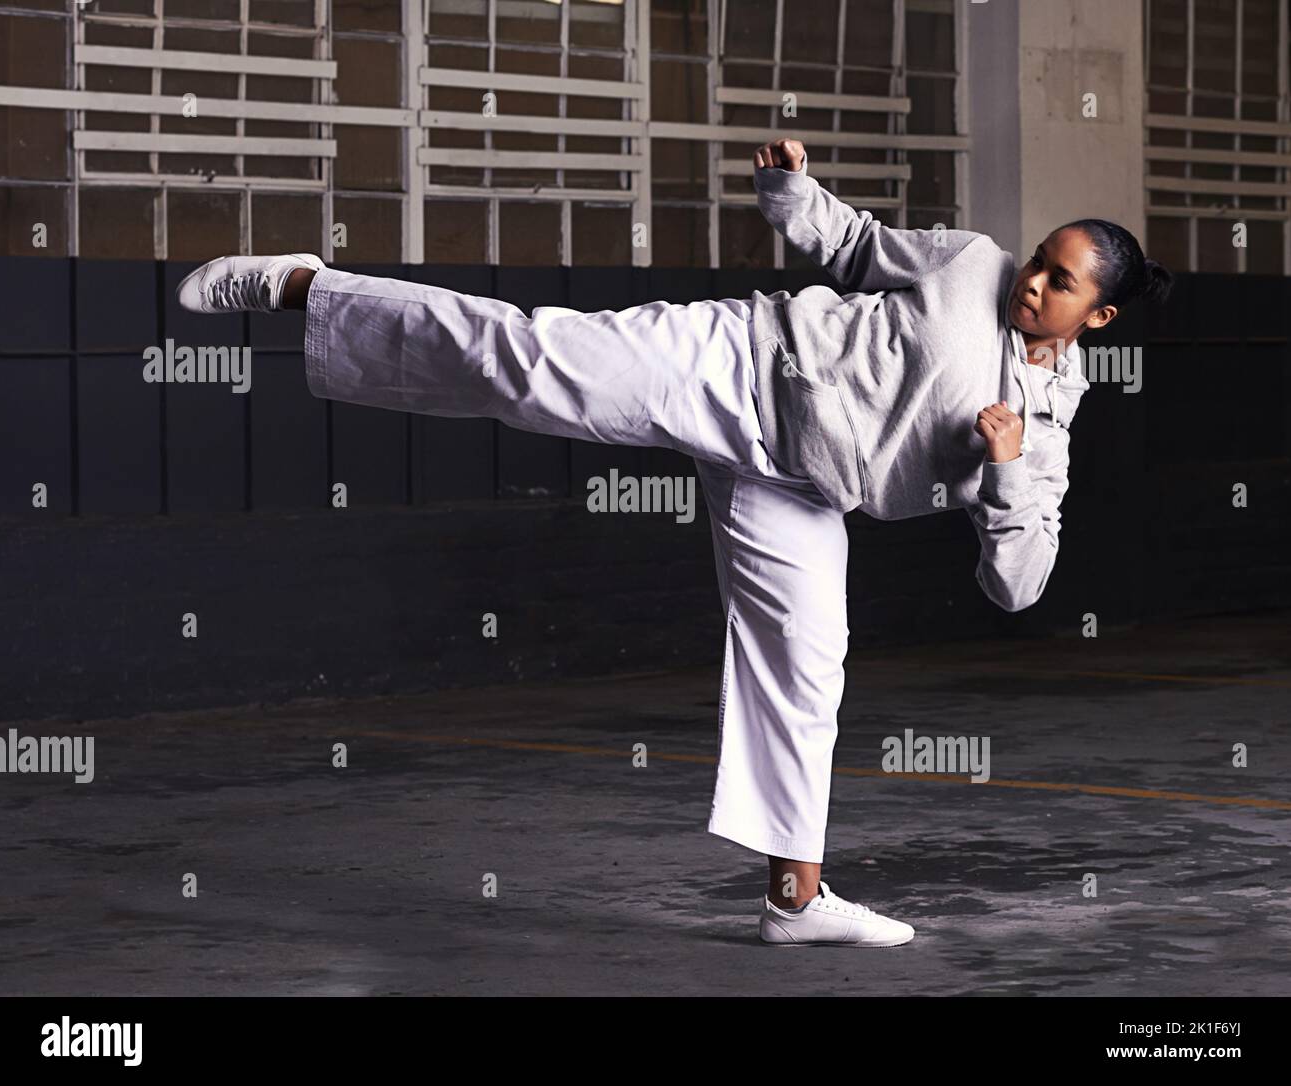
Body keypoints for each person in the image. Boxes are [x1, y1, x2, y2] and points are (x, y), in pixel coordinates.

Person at [176, 137, 1173, 947]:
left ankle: (794, 898)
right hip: (735, 363)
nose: (1033, 280)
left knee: (808, 663)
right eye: (1039, 260)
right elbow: (854, 244)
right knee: (528, 360)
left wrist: (999, 471)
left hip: (800, 484)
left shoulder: (1042, 436)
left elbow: (1019, 585)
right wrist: (790, 187)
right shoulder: (970, 265)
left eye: (1060, 279)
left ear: (1101, 314)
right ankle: (310, 285)